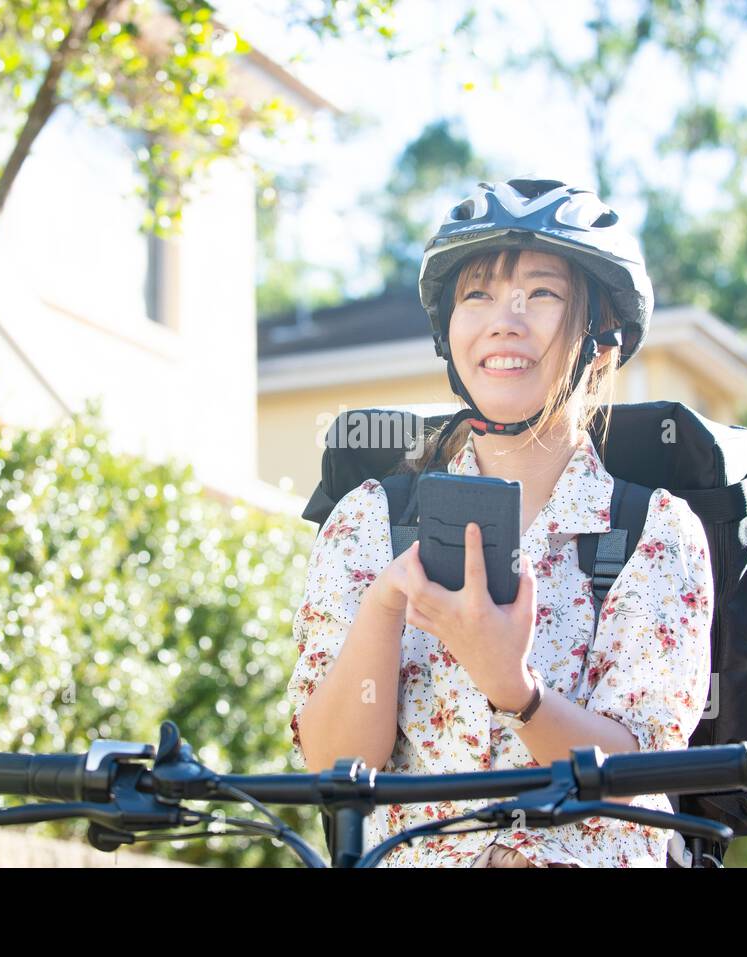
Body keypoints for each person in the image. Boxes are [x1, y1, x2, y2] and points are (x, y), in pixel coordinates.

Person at [285, 178, 714, 867]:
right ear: (447, 332)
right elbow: (336, 766)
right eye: (477, 294)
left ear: (602, 338)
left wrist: (513, 686)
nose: (503, 321)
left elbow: (642, 774)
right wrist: (385, 603)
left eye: (541, 294)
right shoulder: (368, 520)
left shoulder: (655, 534)